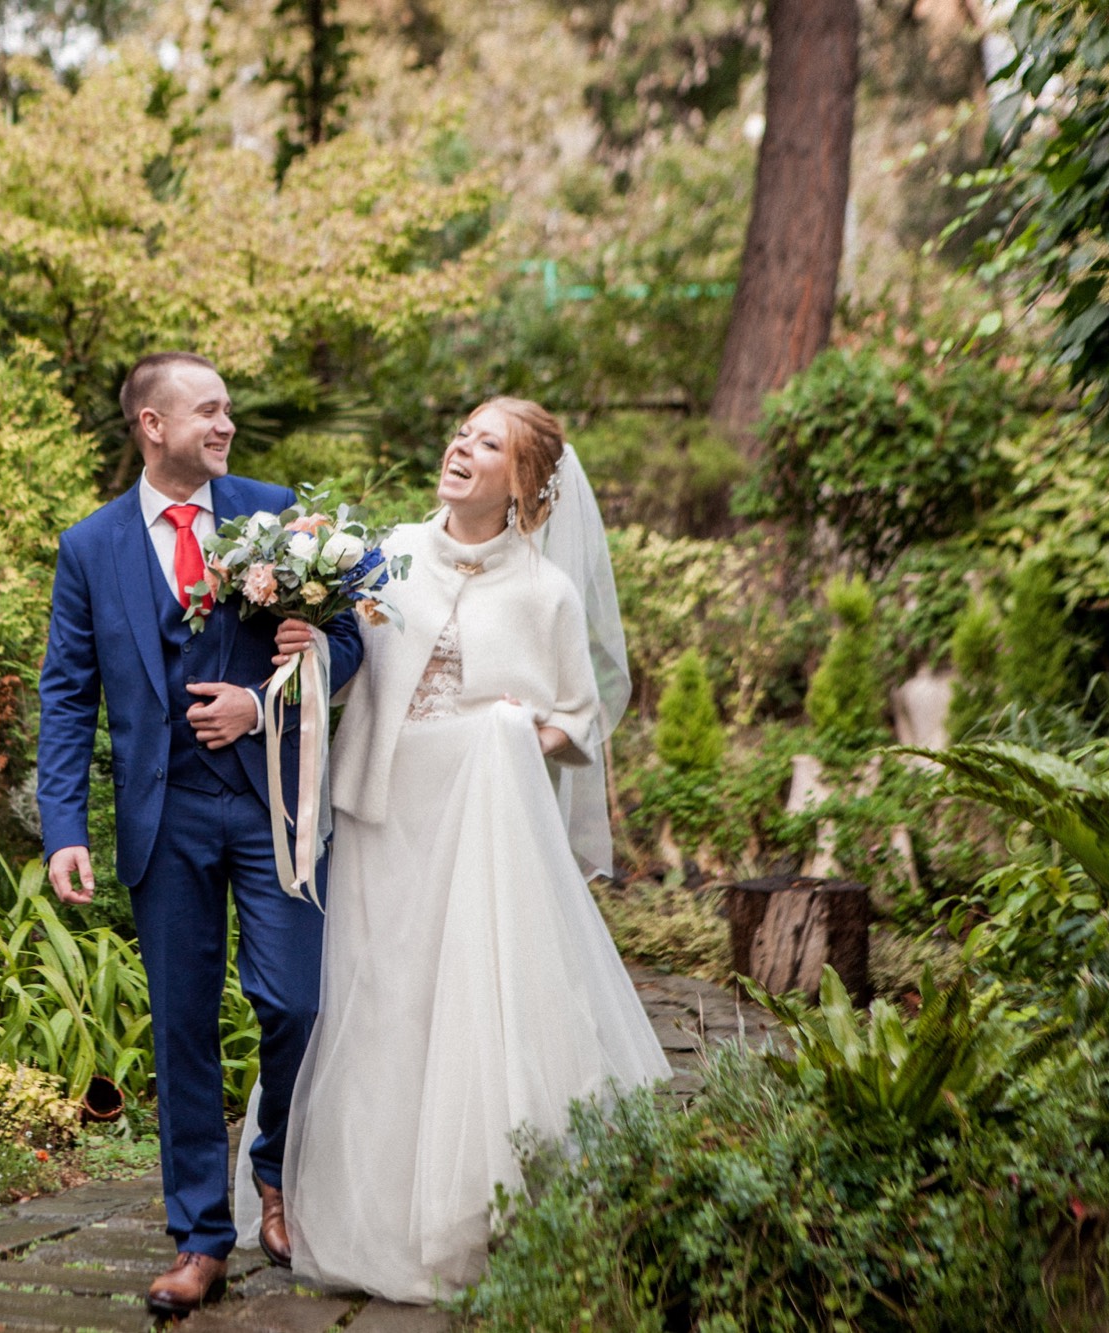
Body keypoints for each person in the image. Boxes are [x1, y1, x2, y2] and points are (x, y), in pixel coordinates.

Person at [276, 396, 670, 1302]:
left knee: (460, 1004)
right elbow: (344, 658)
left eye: (488, 442)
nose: (461, 444)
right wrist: (303, 639)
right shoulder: (389, 555)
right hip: (381, 813)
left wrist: (516, 735)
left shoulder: (546, 591)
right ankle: (362, 1219)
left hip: (476, 824)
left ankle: (464, 1216)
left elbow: (581, 714)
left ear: (524, 483)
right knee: (378, 1000)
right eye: (461, 430)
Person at [36, 351, 364, 1316]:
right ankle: (199, 1238)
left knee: (295, 1001)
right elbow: (67, 695)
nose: (225, 425)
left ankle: (274, 1167)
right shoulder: (90, 547)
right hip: (162, 812)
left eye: (227, 410)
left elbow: (348, 640)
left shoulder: (278, 510)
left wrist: (267, 702)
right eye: (208, 411)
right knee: (181, 1023)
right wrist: (65, 825)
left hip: (273, 804)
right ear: (152, 424)